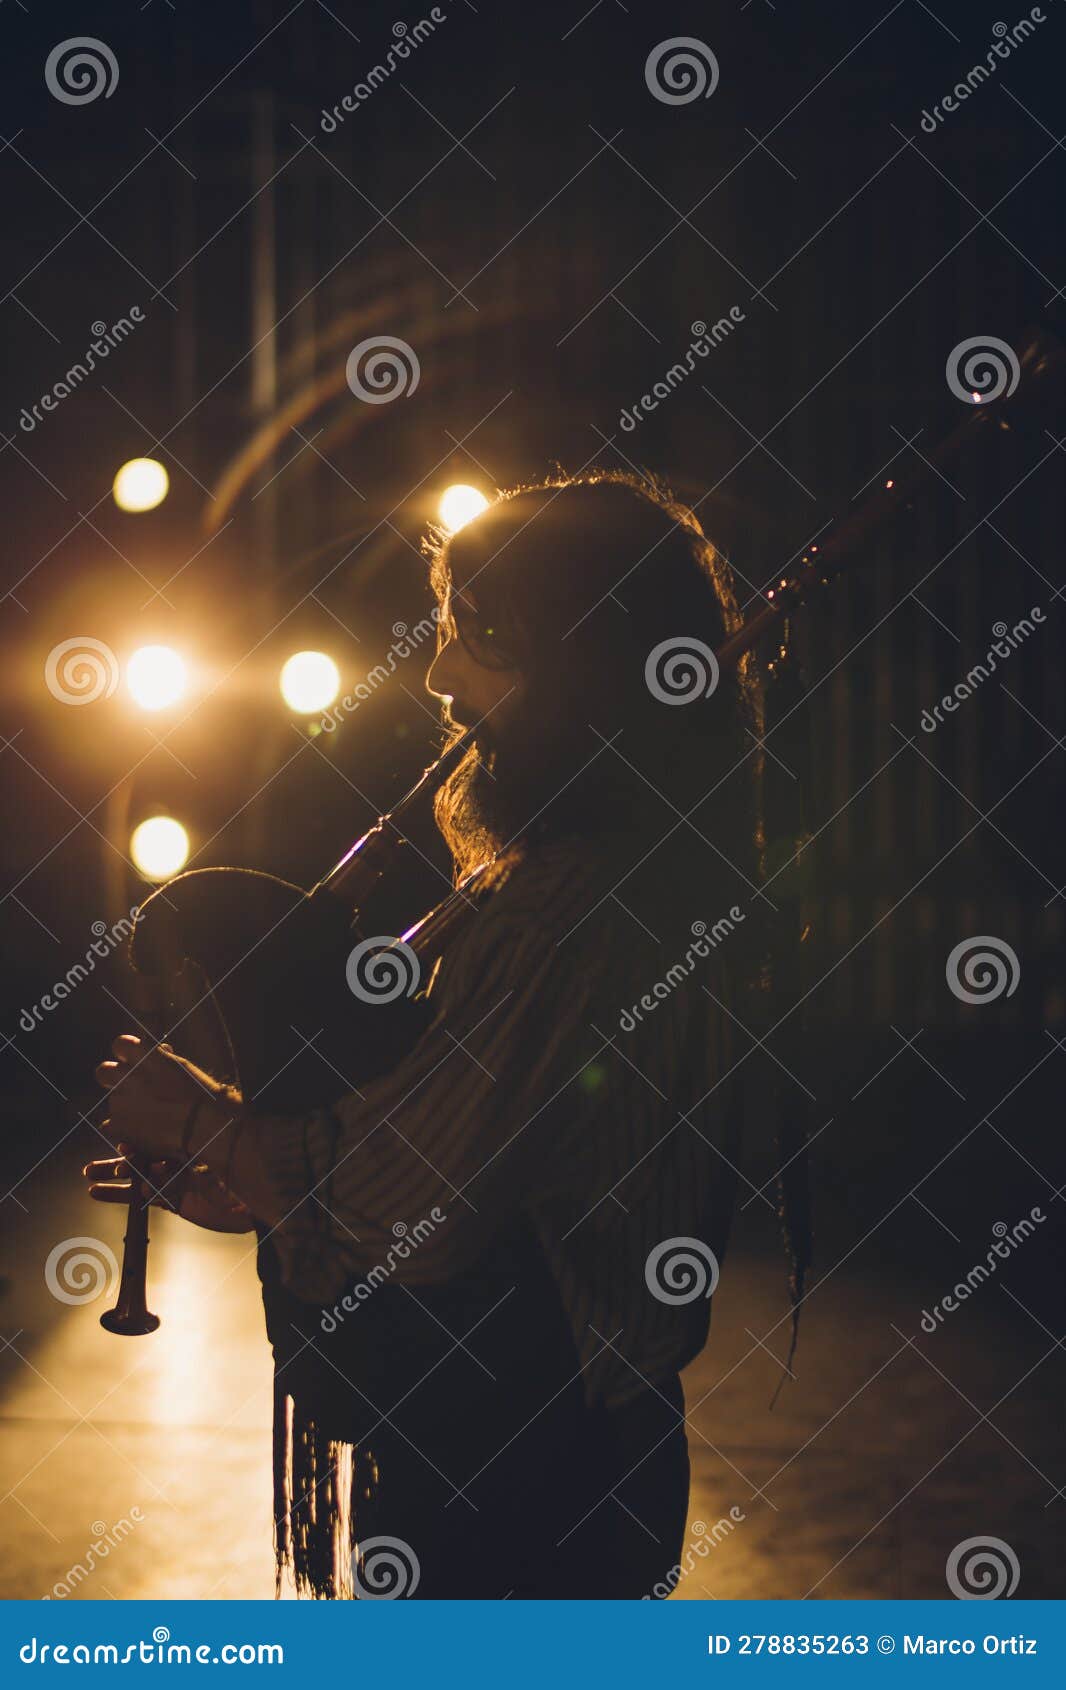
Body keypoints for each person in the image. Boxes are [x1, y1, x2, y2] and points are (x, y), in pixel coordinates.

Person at [87, 470, 775, 1599]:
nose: (439, 674)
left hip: (528, 1477)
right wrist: (245, 1174)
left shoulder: (571, 905)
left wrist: (208, 1122)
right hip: (545, 1447)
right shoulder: (596, 879)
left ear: (580, 664)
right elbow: (460, 1152)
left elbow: (419, 1204)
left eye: (479, 640)